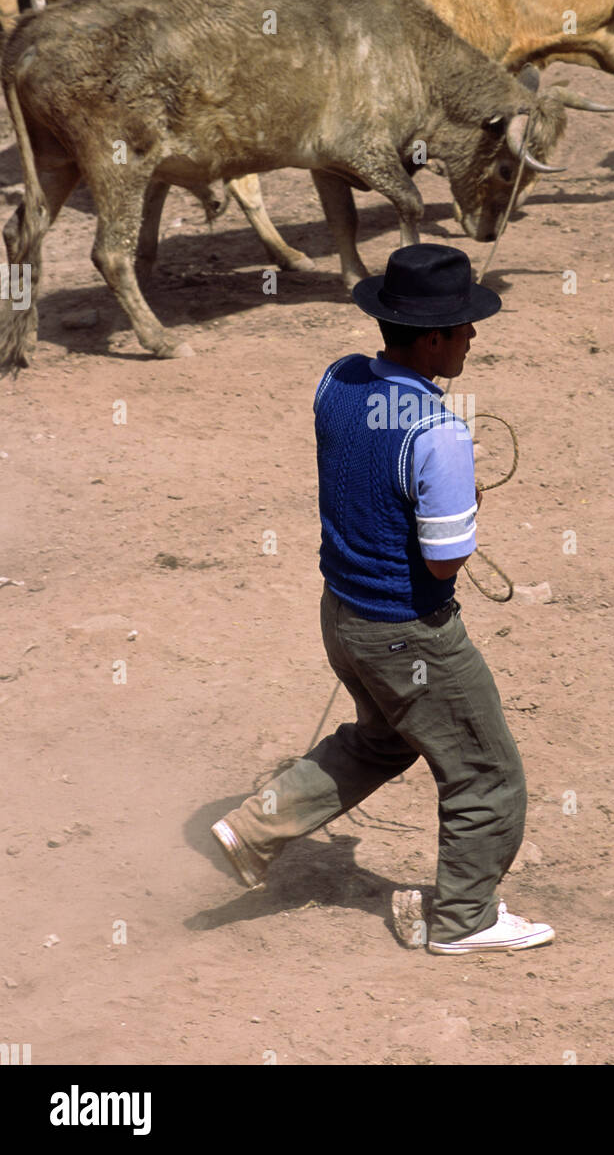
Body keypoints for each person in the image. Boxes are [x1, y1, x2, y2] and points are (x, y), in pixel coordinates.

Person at [212, 243, 554, 954]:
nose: (471, 336)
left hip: (341, 615)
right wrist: (460, 500)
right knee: (485, 772)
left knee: (383, 738)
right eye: (463, 326)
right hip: (409, 632)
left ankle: (251, 829)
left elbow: (361, 473)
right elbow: (443, 557)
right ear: (431, 337)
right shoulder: (439, 431)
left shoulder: (333, 380)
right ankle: (465, 919)